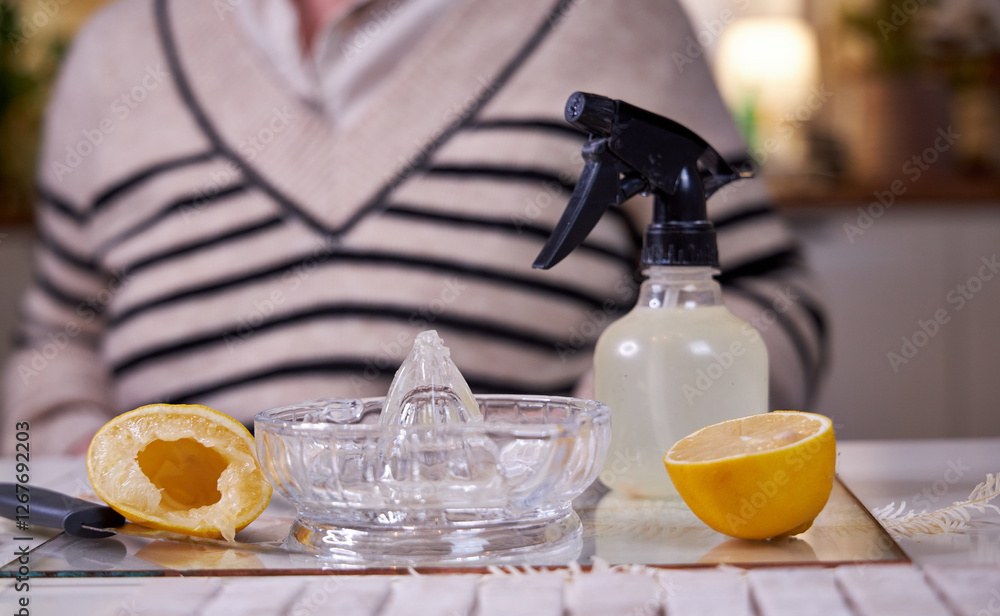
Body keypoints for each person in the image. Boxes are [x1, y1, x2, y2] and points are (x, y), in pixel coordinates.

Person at [1, 0, 827, 455]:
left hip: (522, 573)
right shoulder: (115, 51)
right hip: (175, 577)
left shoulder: (611, 19)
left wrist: (610, 445)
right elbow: (57, 336)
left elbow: (765, 292)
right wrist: (83, 477)